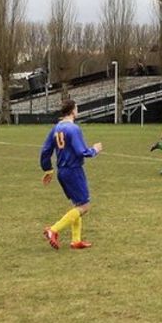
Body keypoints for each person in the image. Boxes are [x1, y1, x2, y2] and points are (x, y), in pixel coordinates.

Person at [39, 99, 102, 250]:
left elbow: (45, 151)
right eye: (77, 108)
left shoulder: (56, 128)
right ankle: (53, 230)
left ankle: (76, 240)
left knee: (78, 204)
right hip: (73, 170)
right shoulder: (73, 129)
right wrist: (95, 149)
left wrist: (48, 169)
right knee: (85, 206)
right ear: (73, 111)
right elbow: (82, 151)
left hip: (62, 172)